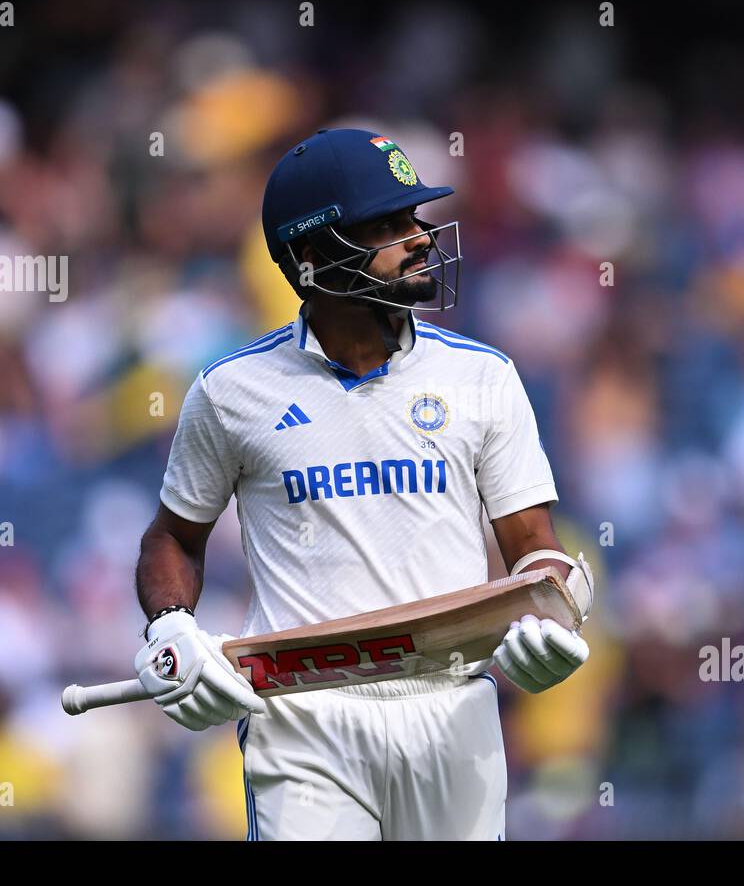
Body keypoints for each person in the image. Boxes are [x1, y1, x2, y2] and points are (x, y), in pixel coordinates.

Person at [132, 128, 594, 840]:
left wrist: (555, 611)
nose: (418, 238)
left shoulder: (482, 377)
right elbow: (174, 537)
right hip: (302, 714)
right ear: (310, 257)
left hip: (451, 707)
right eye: (386, 225)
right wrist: (170, 628)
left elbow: (534, 545)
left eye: (414, 218)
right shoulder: (232, 391)